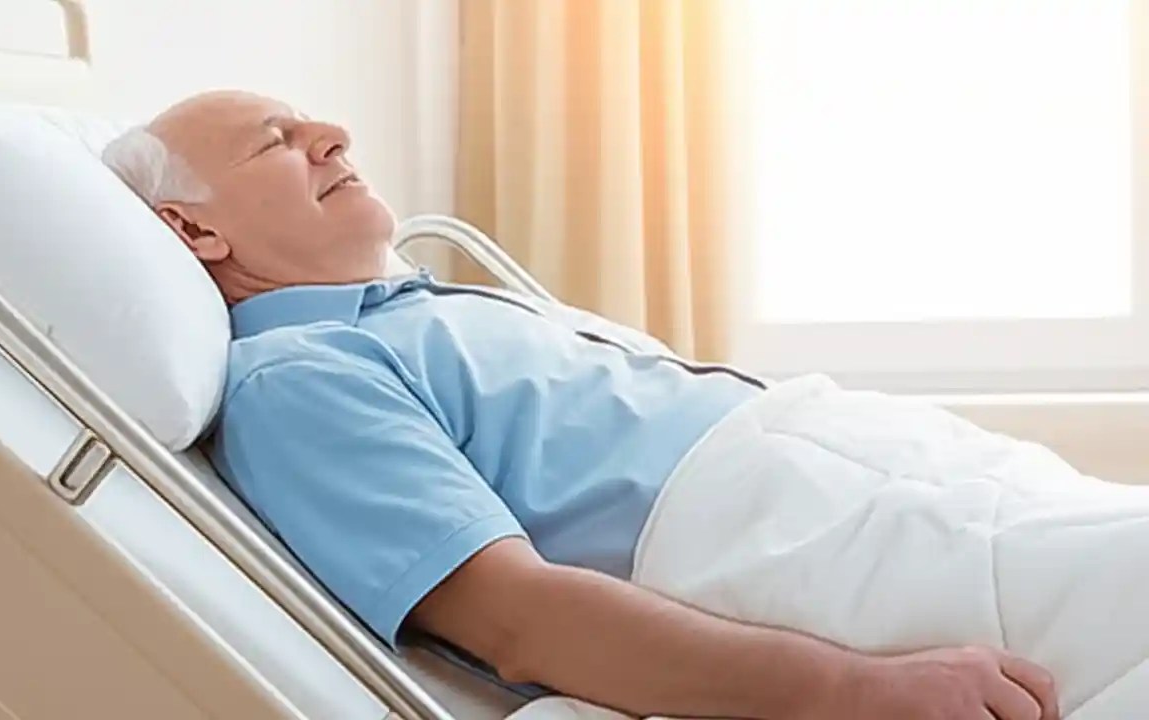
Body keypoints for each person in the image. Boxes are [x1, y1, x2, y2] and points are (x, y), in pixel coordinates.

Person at [103, 90, 1060, 720]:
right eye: (277, 141)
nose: (333, 136)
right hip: (805, 542)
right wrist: (851, 692)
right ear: (192, 229)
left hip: (896, 480)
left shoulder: (419, 309)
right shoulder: (300, 379)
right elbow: (517, 621)